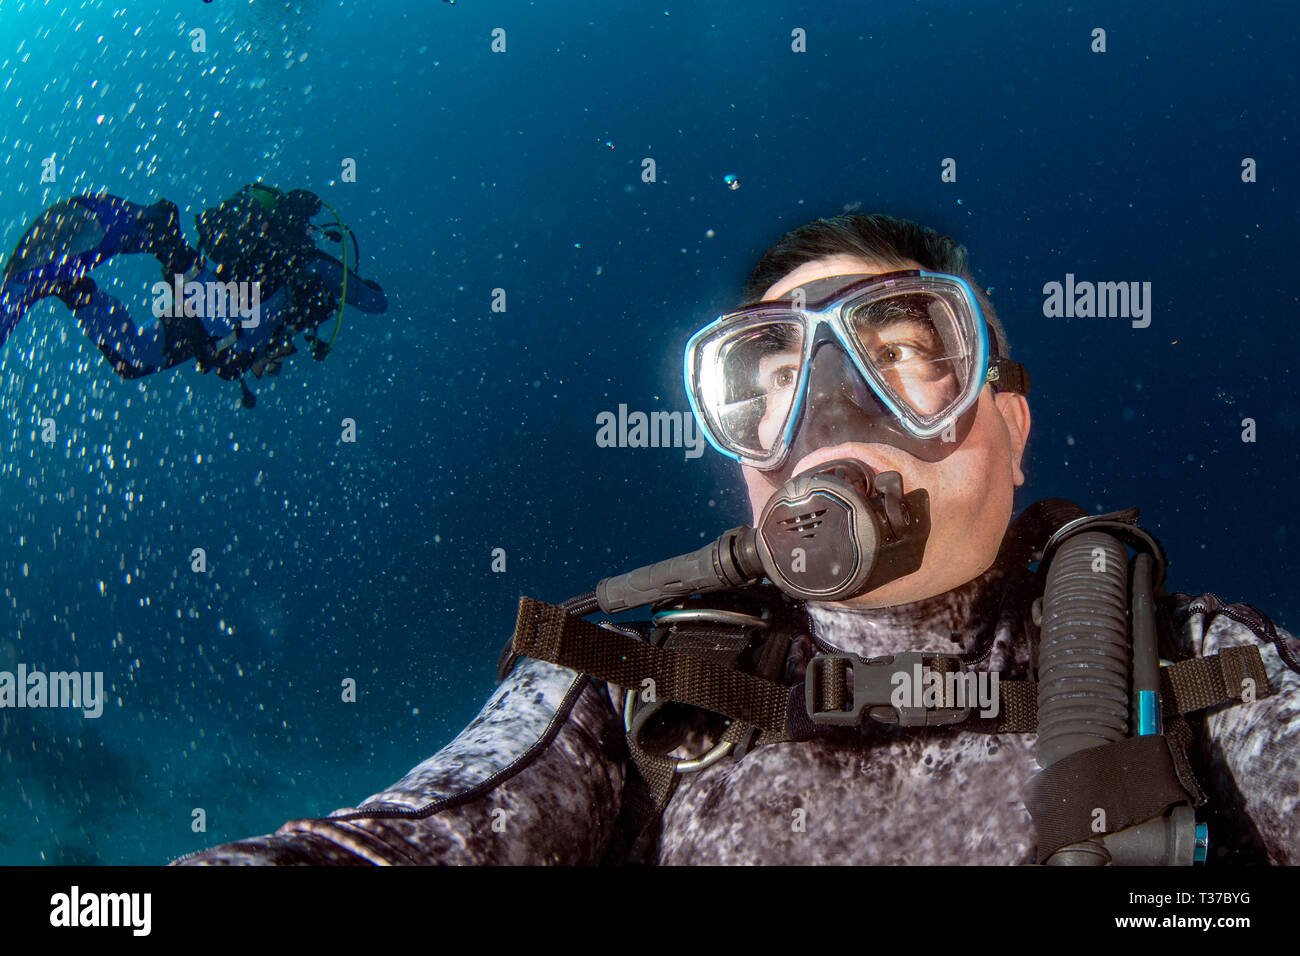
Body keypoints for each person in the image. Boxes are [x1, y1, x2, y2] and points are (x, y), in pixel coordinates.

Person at [172, 214, 1299, 866]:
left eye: (901, 347)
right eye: (767, 374)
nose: (825, 404)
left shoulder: (1199, 668)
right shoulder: (635, 695)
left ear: (1010, 425)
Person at [0, 184, 387, 408]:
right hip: (221, 313)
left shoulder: (294, 272)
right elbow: (374, 304)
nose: (275, 363)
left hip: (212, 315)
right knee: (222, 314)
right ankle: (168, 243)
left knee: (134, 358)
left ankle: (72, 287)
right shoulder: (308, 265)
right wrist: (362, 289)